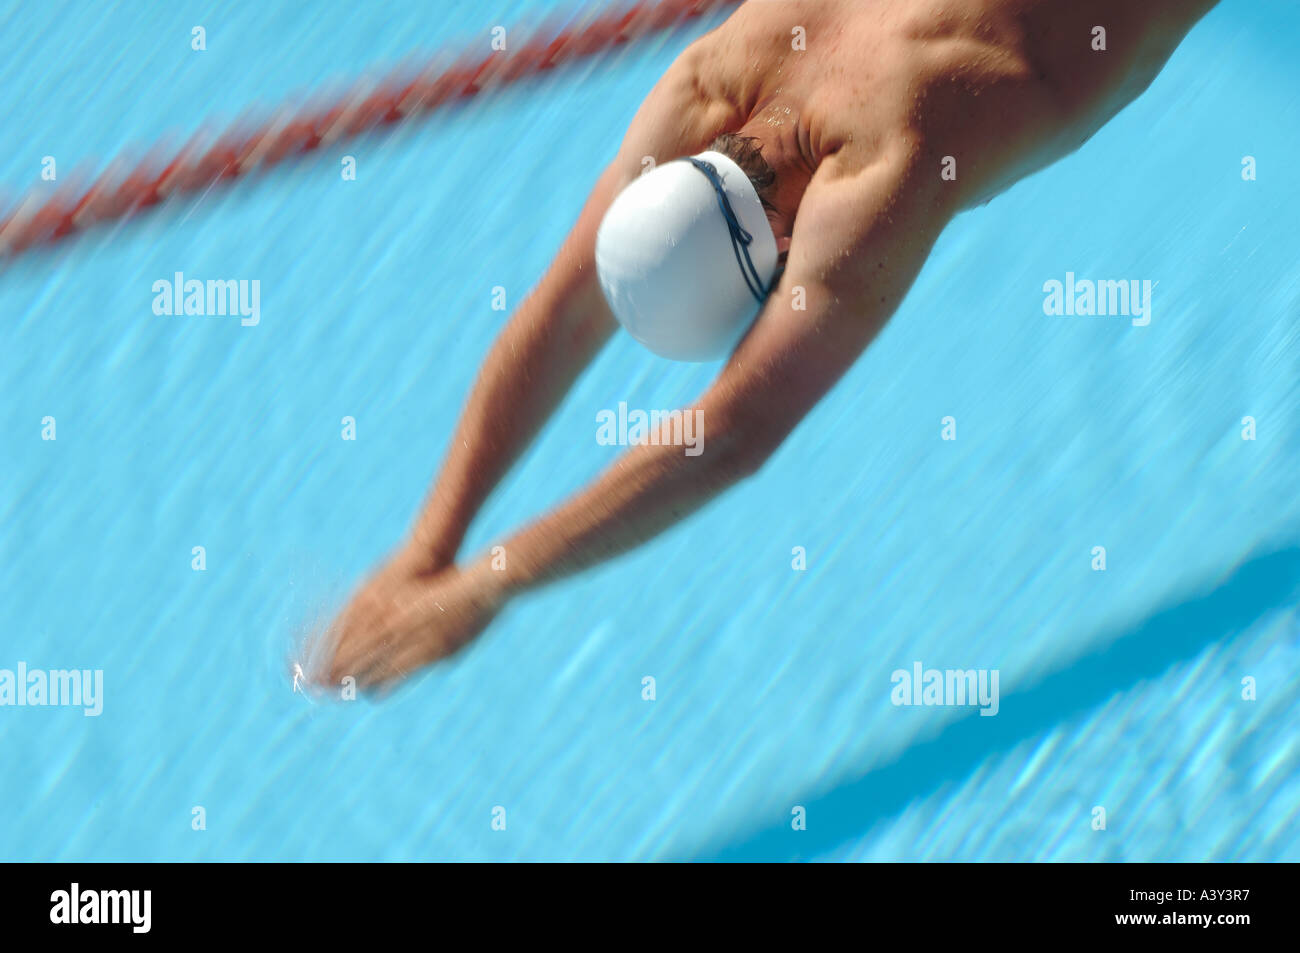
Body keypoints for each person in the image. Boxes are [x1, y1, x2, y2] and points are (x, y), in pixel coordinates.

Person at [316, 0, 1219, 690]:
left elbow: (735, 431)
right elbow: (567, 310)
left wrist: (485, 586)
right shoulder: (724, 64)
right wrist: (428, 552)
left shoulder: (883, 161)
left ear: (775, 267)